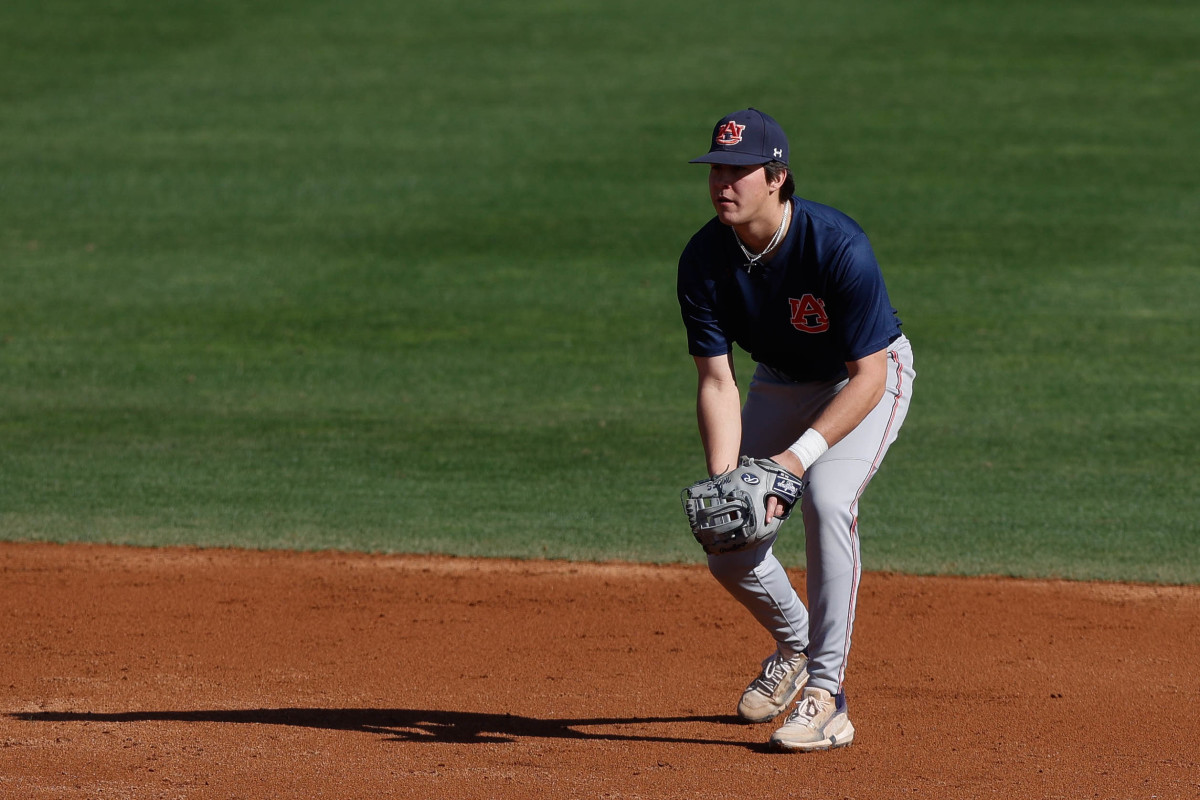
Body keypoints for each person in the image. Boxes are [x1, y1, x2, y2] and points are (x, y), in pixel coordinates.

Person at [676, 108, 916, 752]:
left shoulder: (837, 245)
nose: (723, 182)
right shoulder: (703, 259)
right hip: (780, 382)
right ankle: (797, 645)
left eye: (739, 170)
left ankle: (828, 695)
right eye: (716, 168)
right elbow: (718, 381)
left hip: (864, 379)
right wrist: (728, 477)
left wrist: (795, 459)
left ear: (777, 176)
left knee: (828, 499)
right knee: (730, 537)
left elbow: (868, 375)